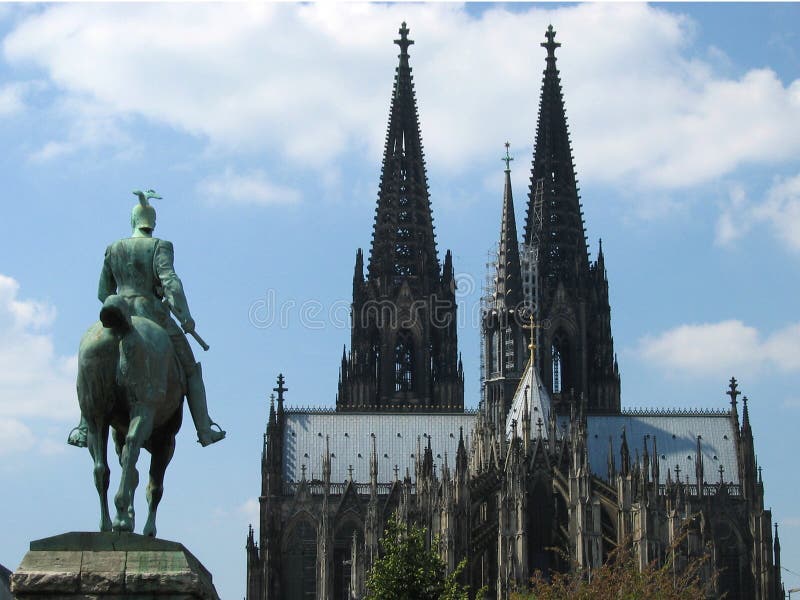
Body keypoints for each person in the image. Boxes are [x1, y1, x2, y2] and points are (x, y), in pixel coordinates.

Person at [68, 190, 225, 448]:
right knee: (190, 369)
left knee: (90, 367)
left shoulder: (113, 248)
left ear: (133, 222)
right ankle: (205, 429)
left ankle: (84, 427)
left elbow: (102, 293)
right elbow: (171, 282)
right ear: (152, 224)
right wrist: (185, 316)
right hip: (152, 312)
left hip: (117, 310)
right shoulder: (160, 246)